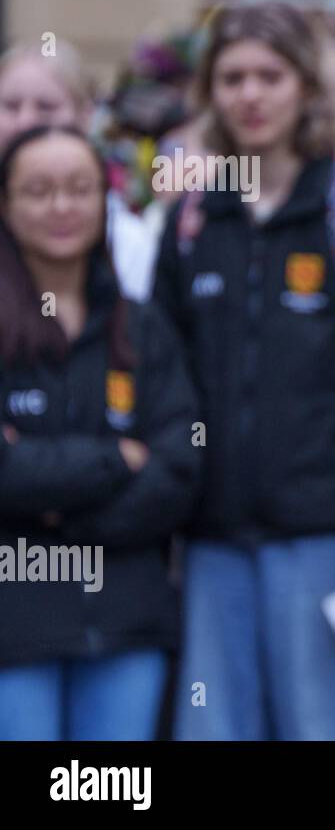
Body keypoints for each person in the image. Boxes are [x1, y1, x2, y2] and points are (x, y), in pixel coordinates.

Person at [154, 3, 335, 740]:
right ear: (210, 92)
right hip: (211, 548)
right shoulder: (193, 220)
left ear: (305, 87)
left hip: (328, 544)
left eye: (270, 75)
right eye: (232, 77)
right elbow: (167, 390)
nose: (250, 94)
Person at [0, 125, 199, 739]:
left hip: (126, 624)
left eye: (78, 189)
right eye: (38, 190)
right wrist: (116, 458)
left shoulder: (142, 329)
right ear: (6, 205)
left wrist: (61, 515)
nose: (61, 207)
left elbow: (180, 466)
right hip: (14, 630)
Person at [0, 42, 156, 301]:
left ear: (85, 116)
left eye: (46, 106)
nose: (25, 122)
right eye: (11, 106)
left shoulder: (126, 240)